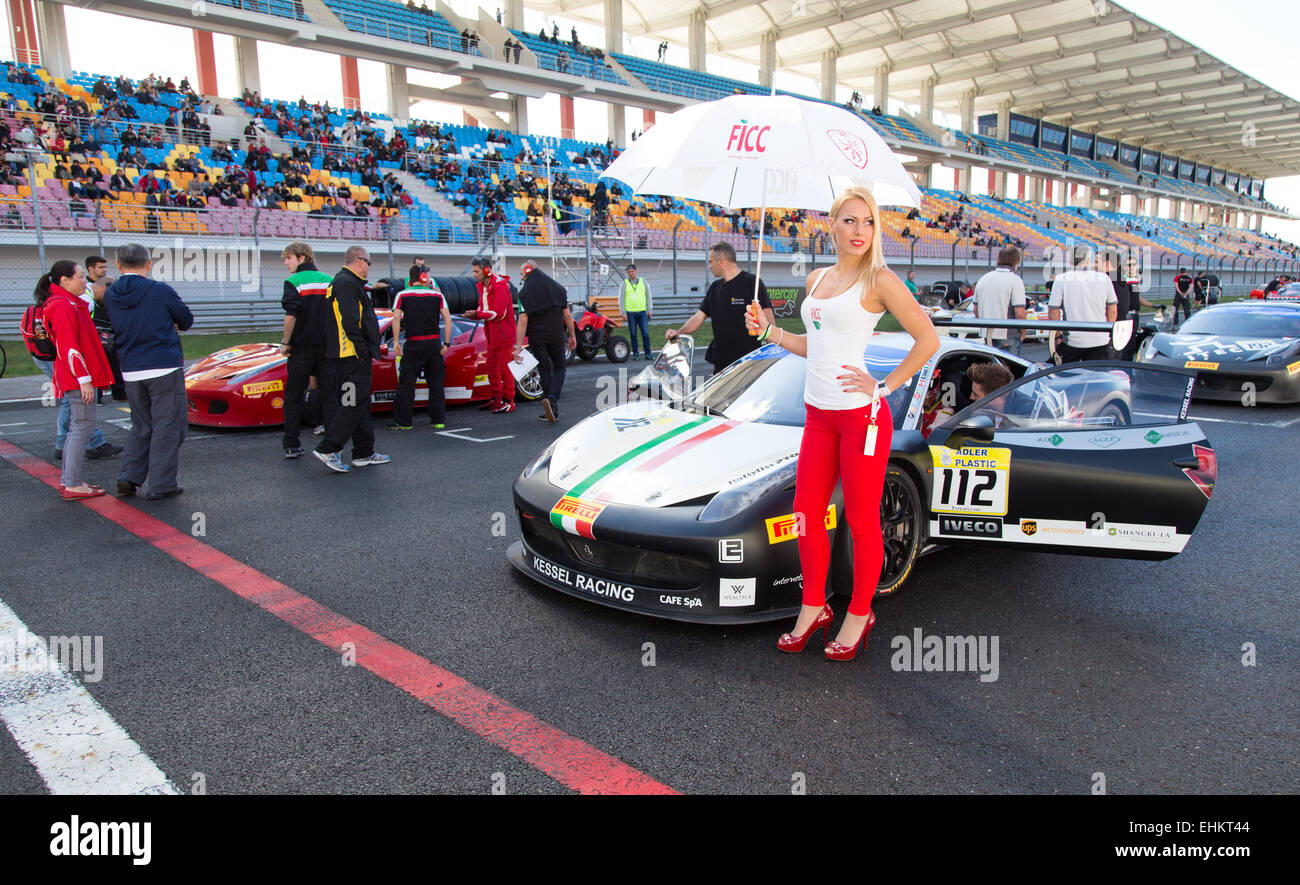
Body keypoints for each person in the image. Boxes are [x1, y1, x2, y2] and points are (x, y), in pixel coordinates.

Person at [747, 186, 939, 661]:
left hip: (862, 418)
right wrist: (770, 331)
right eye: (850, 220)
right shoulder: (815, 280)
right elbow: (817, 345)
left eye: (869, 222)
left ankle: (859, 612)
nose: (860, 231)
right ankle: (813, 606)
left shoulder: (881, 280)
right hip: (818, 415)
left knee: (859, 518)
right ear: (831, 225)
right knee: (806, 513)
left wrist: (884, 386)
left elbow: (927, 339)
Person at [105, 243, 194, 500]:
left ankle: (129, 476)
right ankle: (162, 483)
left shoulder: (111, 294)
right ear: (148, 263)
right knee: (168, 426)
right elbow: (186, 319)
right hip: (163, 364)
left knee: (141, 425)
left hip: (131, 367)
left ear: (119, 264)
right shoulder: (159, 290)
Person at [37, 261, 115, 499]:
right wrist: (84, 379)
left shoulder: (67, 303)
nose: (85, 281)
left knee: (79, 427)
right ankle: (72, 483)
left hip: (76, 375)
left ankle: (71, 480)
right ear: (64, 280)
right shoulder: (62, 306)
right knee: (81, 427)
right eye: (80, 276)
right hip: (76, 376)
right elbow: (69, 347)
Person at [314, 246, 390, 473]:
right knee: (353, 404)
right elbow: (350, 320)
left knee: (358, 403)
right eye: (369, 262)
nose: (369, 267)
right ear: (359, 260)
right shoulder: (346, 283)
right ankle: (329, 447)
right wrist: (363, 349)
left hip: (348, 356)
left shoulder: (345, 282)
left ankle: (363, 452)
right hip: (352, 356)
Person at [667, 242, 775, 375]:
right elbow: (698, 317)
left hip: (748, 362)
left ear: (722, 262)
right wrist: (679, 332)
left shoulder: (752, 283)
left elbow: (769, 320)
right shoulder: (714, 288)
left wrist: (772, 354)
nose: (710, 266)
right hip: (721, 363)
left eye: (711, 262)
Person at [278, 241, 335, 458]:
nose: (286, 263)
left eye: (288, 258)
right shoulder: (329, 280)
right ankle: (331, 444)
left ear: (302, 258)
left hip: (301, 349)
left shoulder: (293, 281)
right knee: (330, 396)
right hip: (327, 349)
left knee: (294, 396)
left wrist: (286, 342)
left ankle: (291, 444)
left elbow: (290, 316)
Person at [388, 263, 453, 431]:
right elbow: (447, 319)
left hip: (414, 343)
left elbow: (396, 318)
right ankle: (438, 420)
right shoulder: (438, 296)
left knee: (407, 383)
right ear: (426, 278)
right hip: (433, 344)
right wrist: (446, 343)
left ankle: (404, 422)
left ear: (410, 279)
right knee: (436, 383)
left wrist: (395, 342)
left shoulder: (402, 295)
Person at [515, 260, 576, 423]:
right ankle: (552, 399)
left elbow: (522, 320)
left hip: (536, 336)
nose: (522, 278)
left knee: (544, 369)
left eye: (522, 275)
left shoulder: (523, 293)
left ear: (527, 271)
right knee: (560, 366)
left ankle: (550, 404)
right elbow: (568, 315)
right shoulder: (557, 288)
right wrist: (572, 336)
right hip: (556, 333)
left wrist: (518, 346)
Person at [1048, 244, 1117, 363]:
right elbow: (1112, 309)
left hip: (1072, 340)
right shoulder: (1104, 278)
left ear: (1070, 261)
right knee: (1096, 376)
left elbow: (1053, 311)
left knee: (1059, 374)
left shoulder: (1061, 279)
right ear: (1088, 260)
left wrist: (1058, 336)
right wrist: (1109, 332)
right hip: (1100, 339)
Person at [465, 257, 517, 413]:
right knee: (491, 367)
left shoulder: (500, 287)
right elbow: (486, 310)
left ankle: (509, 401)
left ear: (486, 270)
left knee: (505, 368)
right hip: (493, 333)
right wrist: (476, 314)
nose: (474, 274)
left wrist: (477, 314)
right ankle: (497, 399)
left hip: (503, 334)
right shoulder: (484, 286)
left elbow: (499, 313)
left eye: (476, 271)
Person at [85, 255, 126, 401]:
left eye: (105, 267)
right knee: (96, 362)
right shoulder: (86, 289)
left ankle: (119, 392)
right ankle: (98, 396)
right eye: (100, 267)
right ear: (90, 268)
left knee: (115, 361)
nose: (104, 270)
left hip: (110, 328)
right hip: (94, 329)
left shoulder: (109, 284)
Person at [972, 247, 1027, 354]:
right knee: (1008, 369)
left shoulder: (983, 279)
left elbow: (976, 310)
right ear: (1016, 261)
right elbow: (1020, 313)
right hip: (1008, 334)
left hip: (986, 334)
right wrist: (1023, 332)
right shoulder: (1015, 280)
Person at [621, 263, 652, 360]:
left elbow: (648, 296)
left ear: (636, 271)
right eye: (629, 272)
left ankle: (648, 353)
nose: (630, 273)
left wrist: (649, 309)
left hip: (642, 311)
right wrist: (623, 312)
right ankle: (635, 353)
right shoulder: (624, 283)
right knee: (633, 334)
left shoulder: (643, 282)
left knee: (645, 333)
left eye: (632, 271)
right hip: (630, 313)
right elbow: (621, 299)